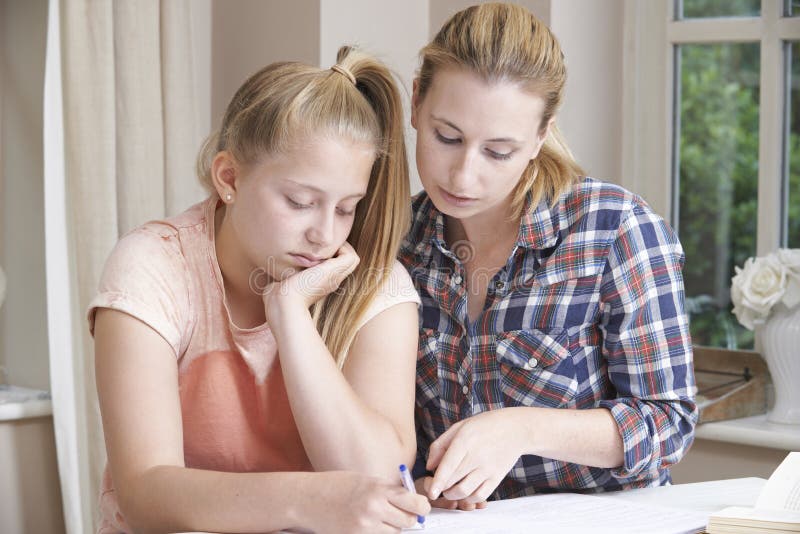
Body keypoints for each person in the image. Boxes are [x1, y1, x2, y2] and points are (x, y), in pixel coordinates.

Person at [89, 46, 430, 534]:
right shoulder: (154, 265)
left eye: (346, 208)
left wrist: (290, 314)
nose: (325, 235)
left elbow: (377, 480)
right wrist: (308, 499)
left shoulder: (375, 284)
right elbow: (145, 492)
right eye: (299, 202)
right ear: (228, 178)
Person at [399, 3, 697, 510]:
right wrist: (416, 483)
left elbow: (668, 424)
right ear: (416, 104)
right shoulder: (398, 243)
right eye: (446, 137)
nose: (463, 175)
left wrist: (522, 429)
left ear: (540, 136)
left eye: (499, 151)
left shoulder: (614, 229)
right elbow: (385, 435)